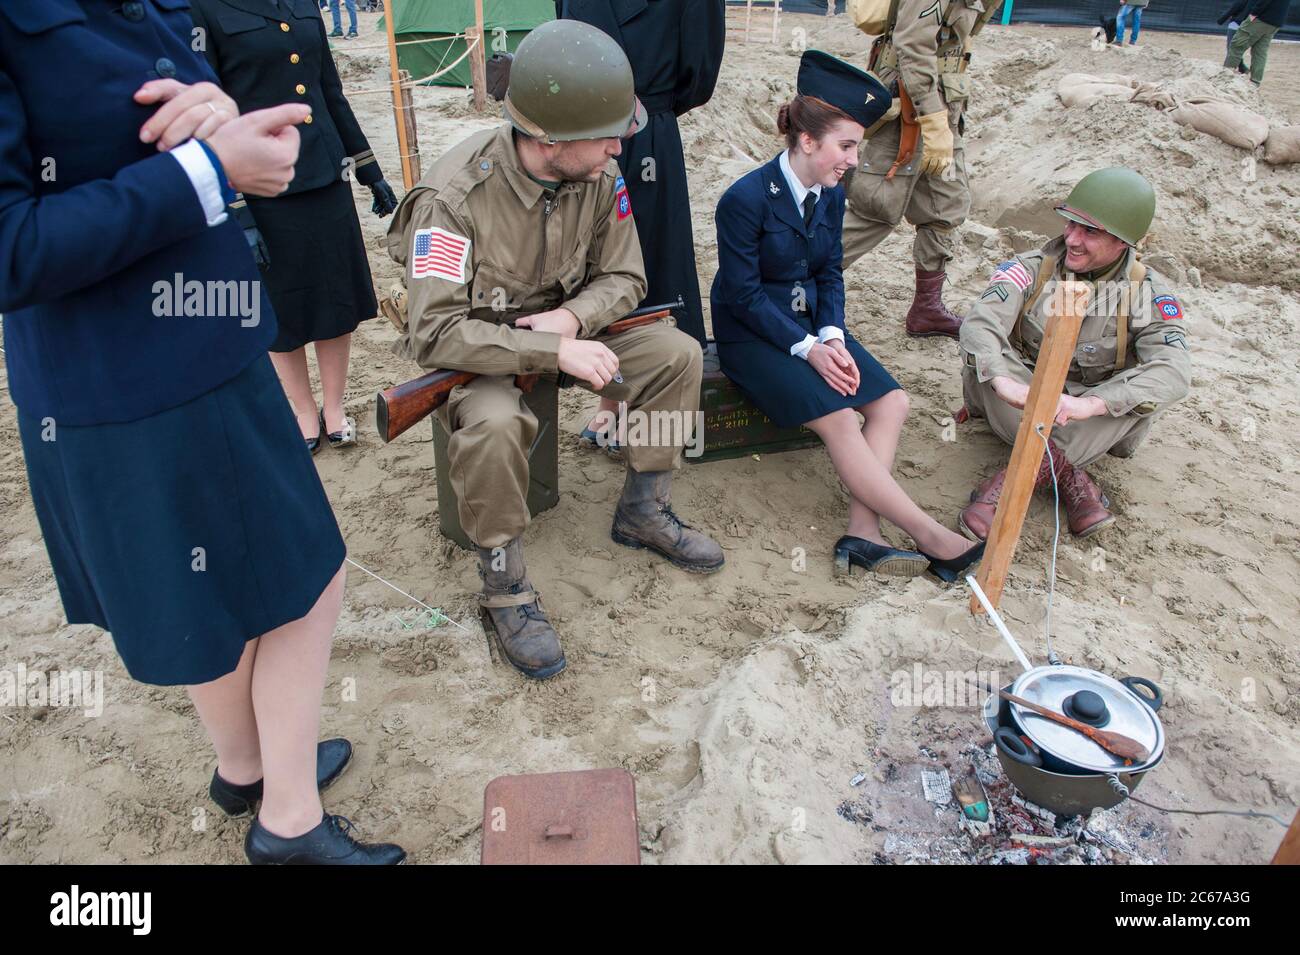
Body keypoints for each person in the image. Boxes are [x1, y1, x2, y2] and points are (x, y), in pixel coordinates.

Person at [0, 0, 402, 864]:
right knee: (308, 578)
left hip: (204, 345)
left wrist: (219, 113)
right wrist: (206, 171)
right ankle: (289, 820)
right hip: (129, 378)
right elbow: (11, 249)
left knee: (212, 593)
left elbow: (160, 106)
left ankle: (246, 765)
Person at [386, 20, 723, 680]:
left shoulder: (599, 175)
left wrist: (572, 318)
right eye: (604, 137)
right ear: (546, 139)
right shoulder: (452, 201)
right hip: (481, 351)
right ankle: (505, 586)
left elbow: (627, 277)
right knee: (492, 423)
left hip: (565, 331)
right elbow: (433, 332)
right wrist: (549, 352)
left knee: (676, 355)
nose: (617, 151)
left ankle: (644, 509)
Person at [711, 51, 985, 583]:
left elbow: (830, 273)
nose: (855, 159)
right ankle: (931, 536)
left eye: (856, 145)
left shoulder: (830, 194)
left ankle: (864, 530)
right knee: (839, 417)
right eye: (847, 145)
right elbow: (743, 297)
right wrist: (808, 348)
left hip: (811, 327)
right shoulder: (744, 199)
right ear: (807, 140)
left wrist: (832, 335)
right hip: (752, 336)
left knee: (891, 401)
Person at [190, 0, 398, 453]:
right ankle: (303, 411)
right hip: (262, 185)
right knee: (281, 305)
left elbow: (328, 89)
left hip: (325, 173)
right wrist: (238, 210)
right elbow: (209, 118)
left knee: (335, 294)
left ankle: (336, 408)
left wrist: (369, 169)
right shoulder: (202, 8)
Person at [956, 168, 1192, 541]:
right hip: (1022, 394)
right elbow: (980, 324)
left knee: (1144, 394)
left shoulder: (1146, 293)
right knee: (991, 363)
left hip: (1084, 413)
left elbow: (1174, 369)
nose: (1071, 239)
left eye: (1090, 232)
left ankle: (1016, 478)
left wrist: (1093, 404)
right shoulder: (1030, 269)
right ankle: (1071, 476)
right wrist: (1004, 383)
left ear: (1123, 243)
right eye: (1070, 225)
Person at [554, 1, 726, 456]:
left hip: (644, 131)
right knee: (592, 264)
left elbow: (699, 70)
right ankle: (611, 396)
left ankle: (642, 402)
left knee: (650, 266)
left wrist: (643, 114)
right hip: (575, 132)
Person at [840, 0, 1002, 339]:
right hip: (909, 105)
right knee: (876, 207)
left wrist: (943, 121)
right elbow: (912, 46)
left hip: (944, 106)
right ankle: (792, 290)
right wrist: (932, 119)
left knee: (945, 206)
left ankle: (927, 309)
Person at [1224, 1, 1293, 86]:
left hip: (1261, 18)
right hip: (1276, 21)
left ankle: (1225, 76)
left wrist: (1254, 13)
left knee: (1237, 45)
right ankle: (1255, 82)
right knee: (1260, 51)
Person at [1219, 2, 1252, 73]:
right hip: (1247, 25)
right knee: (1235, 48)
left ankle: (1232, 69)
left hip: (1237, 23)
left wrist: (1221, 19)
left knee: (1231, 48)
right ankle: (1242, 67)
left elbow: (1235, 8)